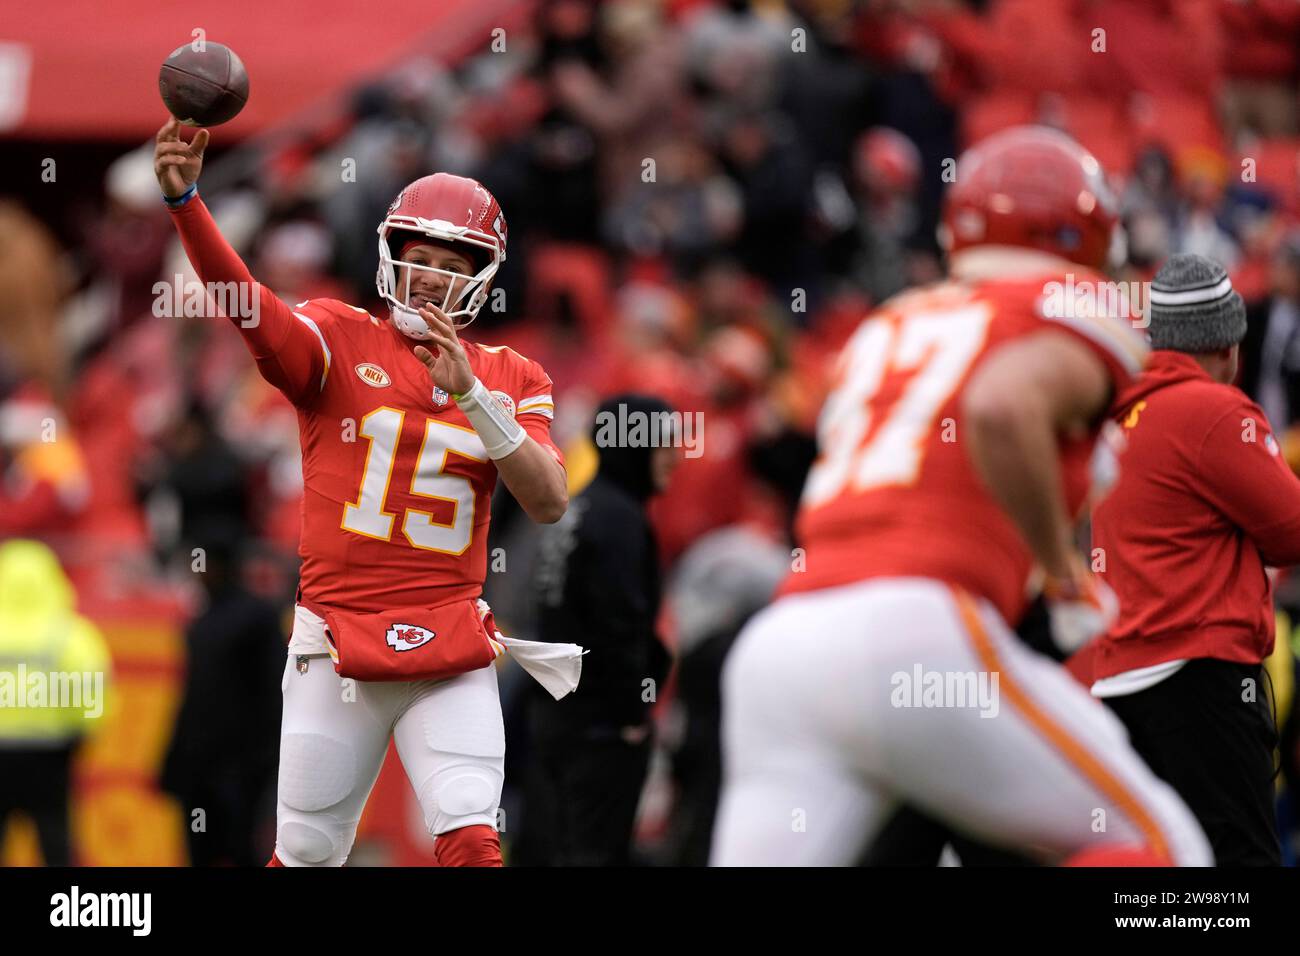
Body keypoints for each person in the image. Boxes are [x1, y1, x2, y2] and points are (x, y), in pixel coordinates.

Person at [710, 126, 1212, 866]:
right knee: (1167, 854)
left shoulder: (894, 320)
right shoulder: (1068, 303)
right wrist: (1063, 573)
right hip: (918, 629)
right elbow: (1001, 408)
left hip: (784, 646)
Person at [153, 117, 580, 867]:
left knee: (473, 838)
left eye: (455, 265)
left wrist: (475, 397)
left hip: (449, 643)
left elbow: (548, 500)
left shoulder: (515, 374)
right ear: (389, 259)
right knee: (308, 853)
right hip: (336, 641)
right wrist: (189, 202)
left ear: (483, 276)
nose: (435, 281)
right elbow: (248, 305)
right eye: (420, 260)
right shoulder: (337, 337)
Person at [1091, 253, 1300, 866]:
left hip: (1120, 680)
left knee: (1166, 873)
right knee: (1239, 867)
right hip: (1199, 677)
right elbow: (1292, 532)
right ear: (1230, 342)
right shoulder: (1212, 412)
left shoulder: (1120, 413)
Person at [519, 394, 678, 866]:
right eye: (664, 444)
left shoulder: (578, 508)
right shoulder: (620, 520)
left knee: (553, 848)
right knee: (593, 853)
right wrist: (631, 717)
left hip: (557, 719)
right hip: (599, 730)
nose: (675, 457)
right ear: (636, 447)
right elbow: (618, 627)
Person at [0, 539, 112, 866]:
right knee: (55, 841)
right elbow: (92, 693)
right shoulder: (70, 635)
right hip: (51, 758)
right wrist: (83, 734)